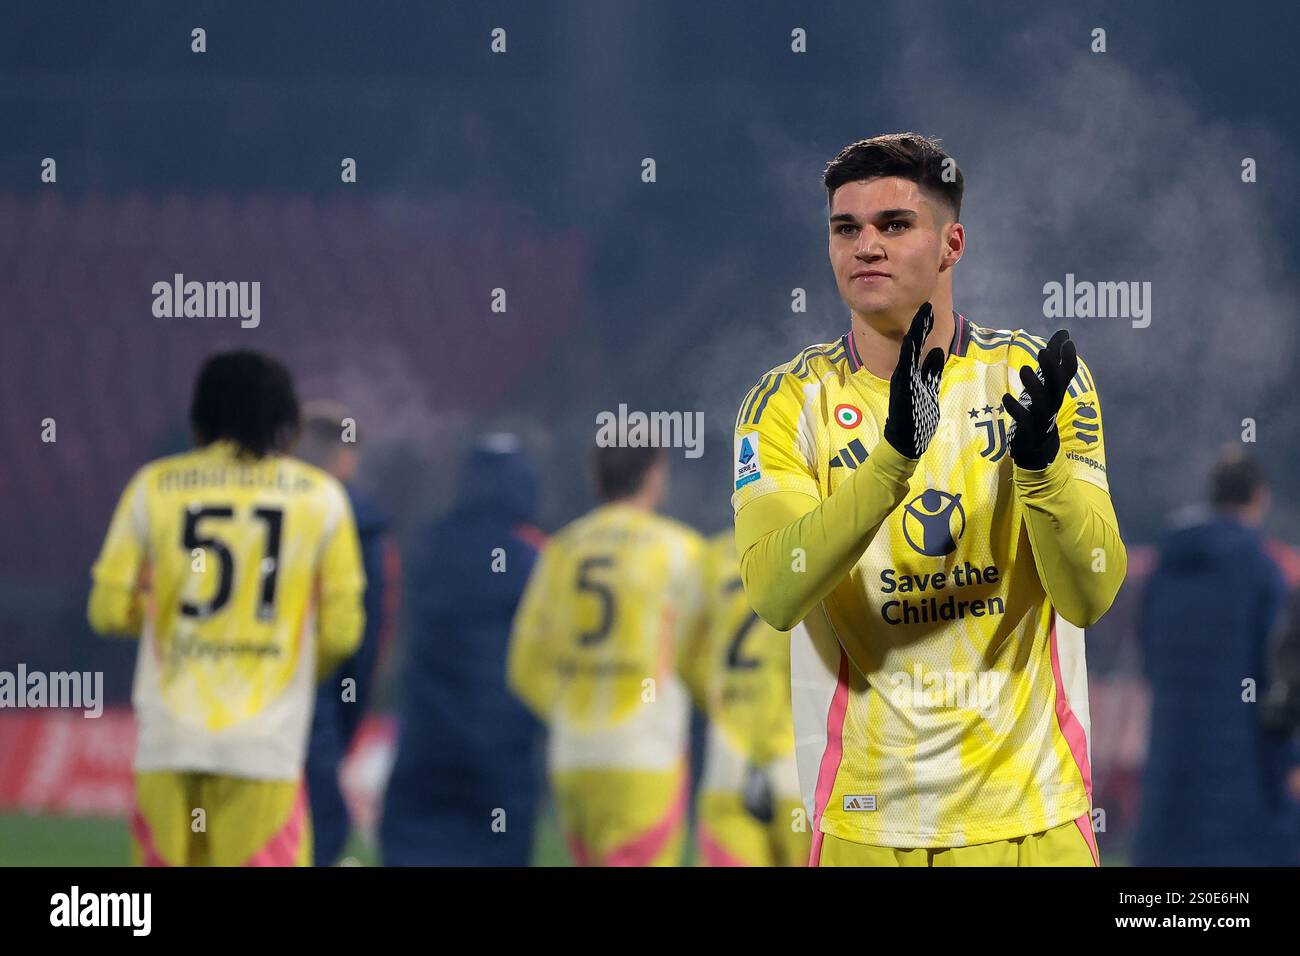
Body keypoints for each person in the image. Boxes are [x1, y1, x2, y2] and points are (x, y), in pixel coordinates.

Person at [732, 133, 1126, 866]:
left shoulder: (1033, 381)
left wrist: (1041, 471)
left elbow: (1090, 595)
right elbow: (776, 592)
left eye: (894, 224)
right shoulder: (787, 404)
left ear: (952, 245)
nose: (866, 246)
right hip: (869, 827)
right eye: (845, 229)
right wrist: (893, 460)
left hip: (1033, 822)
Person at [88, 350, 365, 866]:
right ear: (287, 418)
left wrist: (171, 620)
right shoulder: (321, 498)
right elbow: (343, 632)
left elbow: (107, 609)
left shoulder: (153, 487)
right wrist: (291, 663)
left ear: (202, 413)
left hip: (170, 740)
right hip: (265, 745)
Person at [507, 444, 706, 866]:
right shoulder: (680, 549)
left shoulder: (561, 549)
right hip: (645, 755)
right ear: (654, 476)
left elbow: (524, 666)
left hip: (574, 759)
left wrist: (568, 713)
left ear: (596, 477)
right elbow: (707, 654)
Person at [380, 433, 545, 866]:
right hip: (501, 745)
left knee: (416, 847)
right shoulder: (531, 555)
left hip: (426, 736)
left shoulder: (428, 545)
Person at [1134, 449, 1300, 865]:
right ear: (1259, 497)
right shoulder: (1263, 571)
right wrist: (1288, 759)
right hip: (1245, 777)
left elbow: (1148, 659)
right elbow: (1278, 679)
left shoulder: (1164, 570)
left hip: (1169, 776)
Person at [296, 400, 398, 866]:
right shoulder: (361, 526)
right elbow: (364, 636)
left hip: (247, 700)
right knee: (323, 826)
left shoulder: (259, 509)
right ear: (342, 458)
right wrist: (346, 721)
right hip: (319, 700)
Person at [694, 531, 810, 866]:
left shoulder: (711, 558)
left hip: (728, 763)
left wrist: (720, 702)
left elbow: (687, 654)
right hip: (800, 765)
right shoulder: (812, 545)